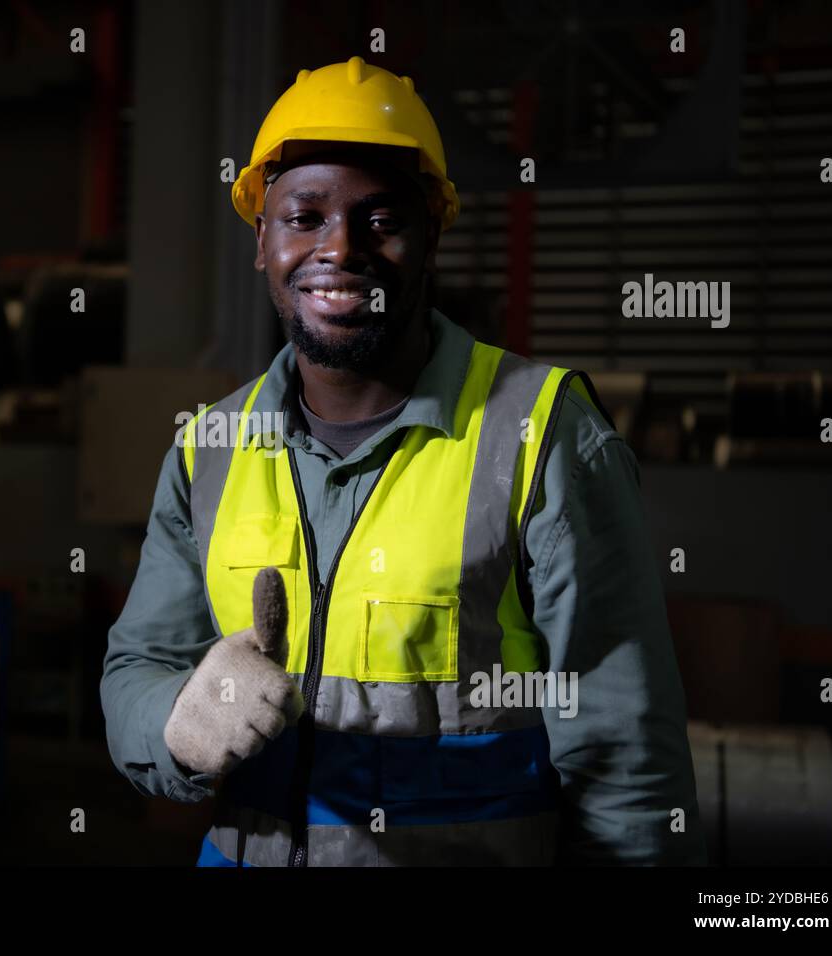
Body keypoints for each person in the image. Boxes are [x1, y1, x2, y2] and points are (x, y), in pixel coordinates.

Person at [101, 56, 705, 867]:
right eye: (304, 216)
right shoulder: (208, 447)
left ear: (431, 237)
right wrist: (176, 719)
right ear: (261, 240)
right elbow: (135, 668)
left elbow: (628, 768)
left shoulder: (542, 435)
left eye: (380, 219)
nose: (339, 249)